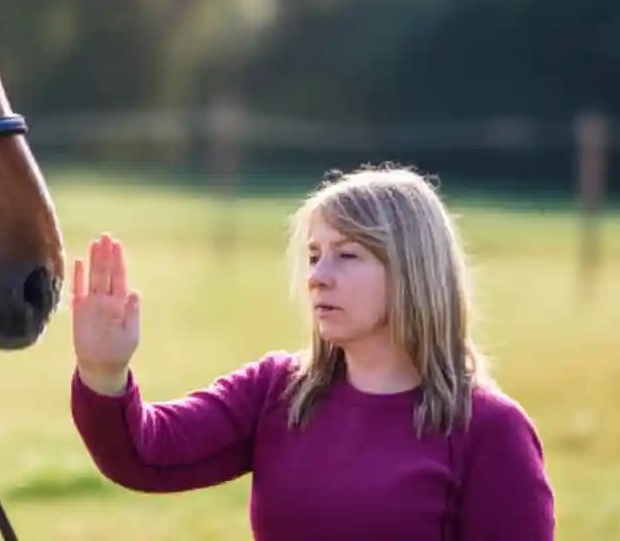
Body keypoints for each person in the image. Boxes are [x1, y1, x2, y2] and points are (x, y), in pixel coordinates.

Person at [69, 165, 555, 540]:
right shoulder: (274, 391)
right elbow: (145, 455)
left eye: (347, 255)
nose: (318, 276)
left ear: (414, 272)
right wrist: (103, 372)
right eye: (314, 254)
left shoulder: (490, 431)